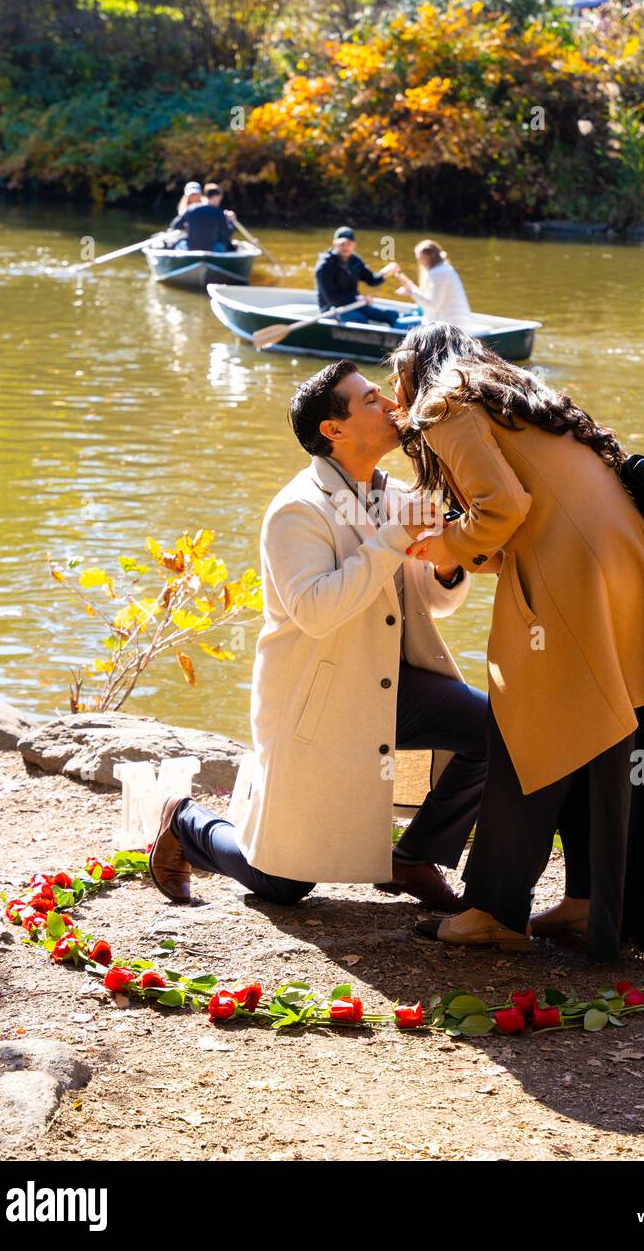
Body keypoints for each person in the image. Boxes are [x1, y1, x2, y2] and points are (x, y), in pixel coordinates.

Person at [390, 323, 644, 962]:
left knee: (524, 735)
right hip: (625, 569)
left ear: (413, 368)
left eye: (394, 382)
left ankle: (492, 913)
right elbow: (526, 514)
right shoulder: (514, 390)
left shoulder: (443, 402)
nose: (394, 399)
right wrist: (465, 543)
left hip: (572, 582)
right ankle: (594, 902)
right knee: (606, 737)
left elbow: (502, 507)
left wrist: (447, 545)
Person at [148, 359, 490, 914]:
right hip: (318, 699)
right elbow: (316, 611)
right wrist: (395, 538)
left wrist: (449, 564)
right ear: (334, 431)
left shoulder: (396, 494)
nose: (389, 405)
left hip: (391, 685)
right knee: (285, 887)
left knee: (494, 729)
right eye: (371, 400)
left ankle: (414, 857)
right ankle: (187, 823)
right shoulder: (295, 510)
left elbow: (429, 600)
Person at [315, 227, 408, 326]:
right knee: (359, 319)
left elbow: (371, 280)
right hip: (331, 308)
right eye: (342, 244)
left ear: (354, 245)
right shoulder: (324, 266)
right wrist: (357, 300)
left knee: (391, 315)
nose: (346, 247)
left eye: (349, 244)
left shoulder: (355, 261)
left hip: (354, 304)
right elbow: (331, 298)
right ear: (334, 244)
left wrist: (385, 272)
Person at [395, 240, 472, 330]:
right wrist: (409, 286)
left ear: (429, 256)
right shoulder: (442, 269)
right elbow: (426, 297)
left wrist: (411, 292)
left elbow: (433, 306)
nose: (419, 262)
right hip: (447, 322)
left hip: (448, 327)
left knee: (397, 325)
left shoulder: (439, 273)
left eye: (420, 258)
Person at [169, 182, 235, 253]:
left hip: (192, 247)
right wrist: (231, 221)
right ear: (217, 197)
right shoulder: (219, 213)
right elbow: (228, 233)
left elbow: (175, 225)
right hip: (211, 248)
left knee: (178, 244)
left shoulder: (190, 209)